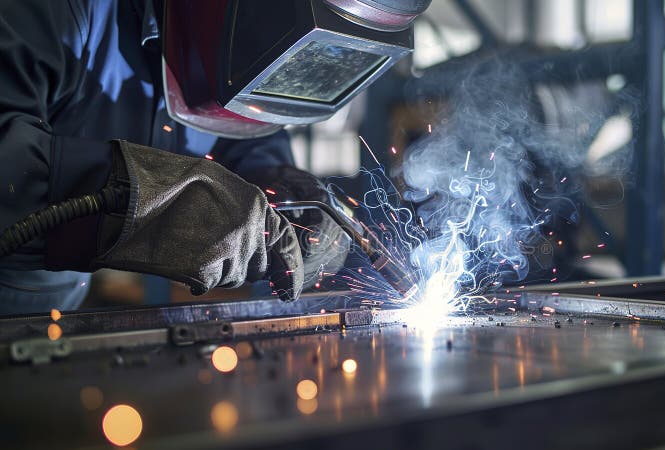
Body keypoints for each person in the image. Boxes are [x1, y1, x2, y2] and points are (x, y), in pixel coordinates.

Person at [0, 0, 430, 314]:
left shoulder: (232, 58)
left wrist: (279, 184)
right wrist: (149, 201)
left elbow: (243, 133)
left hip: (50, 313)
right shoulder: (64, 12)